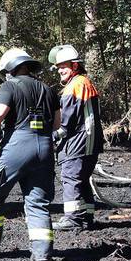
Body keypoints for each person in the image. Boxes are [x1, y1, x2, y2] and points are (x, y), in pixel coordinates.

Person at [0, 48, 59, 261]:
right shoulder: (48, 89)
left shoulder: (9, 86)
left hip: (17, 146)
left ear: (10, 69)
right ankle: (42, 256)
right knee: (38, 201)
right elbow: (57, 124)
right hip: (45, 148)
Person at [50, 44, 103, 232]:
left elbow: (67, 121)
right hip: (89, 141)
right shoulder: (83, 82)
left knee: (70, 176)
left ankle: (72, 218)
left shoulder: (76, 85)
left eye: (63, 66)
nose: (60, 71)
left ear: (74, 66)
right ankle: (87, 217)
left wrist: (53, 136)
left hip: (80, 141)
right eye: (58, 67)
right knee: (82, 178)